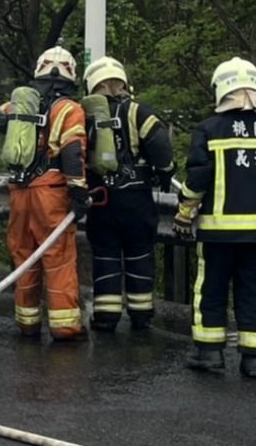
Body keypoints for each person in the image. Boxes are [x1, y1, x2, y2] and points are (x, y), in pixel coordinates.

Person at [175, 57, 256, 378]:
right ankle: (254, 359)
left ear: (221, 90)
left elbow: (197, 182)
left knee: (212, 290)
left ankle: (209, 354)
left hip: (219, 235)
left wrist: (184, 215)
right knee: (254, 292)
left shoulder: (209, 130)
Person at [0, 46, 90, 341]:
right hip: (51, 192)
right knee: (57, 257)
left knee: (24, 256)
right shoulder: (69, 109)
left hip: (20, 193)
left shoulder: (18, 105)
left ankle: (28, 323)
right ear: (71, 75)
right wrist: (79, 190)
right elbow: (73, 151)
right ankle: (65, 327)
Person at [82, 56, 175, 332]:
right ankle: (141, 314)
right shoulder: (137, 111)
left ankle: (106, 317)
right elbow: (160, 145)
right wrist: (166, 172)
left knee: (105, 256)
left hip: (101, 200)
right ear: (122, 81)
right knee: (139, 254)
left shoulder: (85, 115)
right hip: (136, 200)